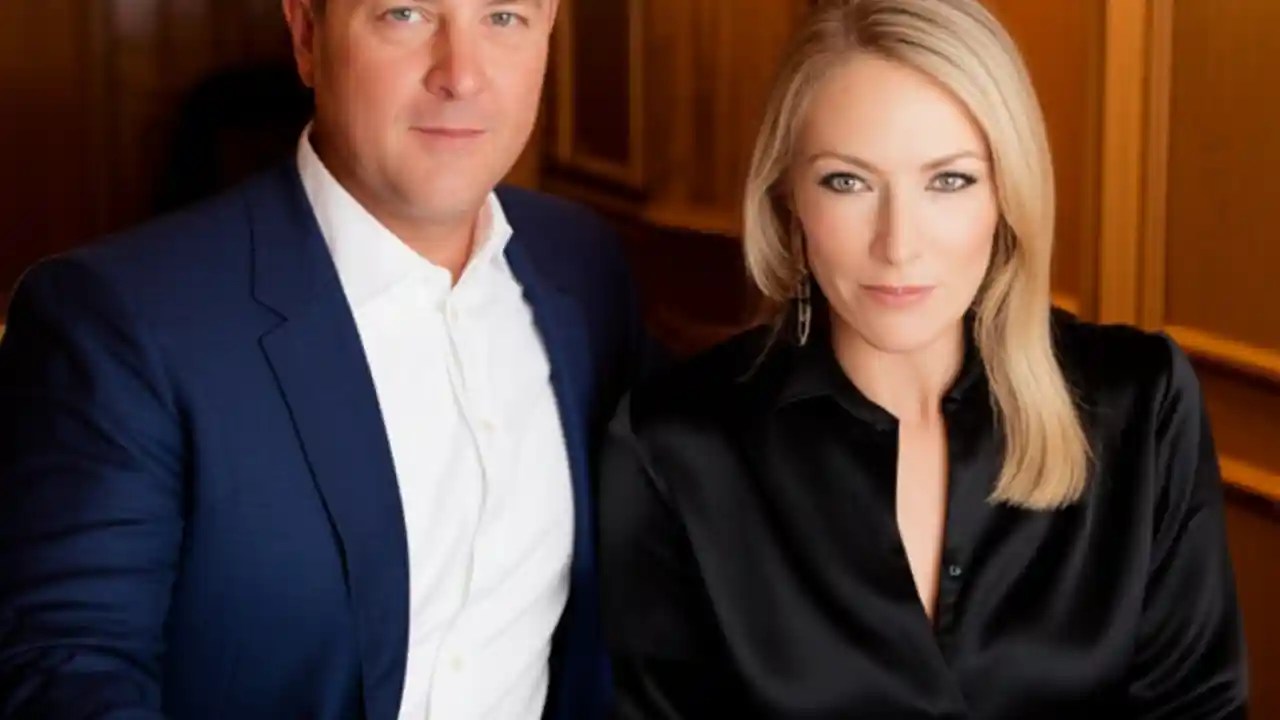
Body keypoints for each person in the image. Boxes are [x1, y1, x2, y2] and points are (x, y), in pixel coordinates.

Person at [599, 0, 1248, 717]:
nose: (898, 244)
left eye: (949, 180)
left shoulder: (1141, 404)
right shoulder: (675, 443)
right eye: (848, 181)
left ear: (1008, 191)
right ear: (789, 198)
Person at [0, 0, 641, 717]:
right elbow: (71, 674)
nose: (461, 75)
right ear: (307, 36)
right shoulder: (117, 320)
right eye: (405, 14)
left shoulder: (584, 269)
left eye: (502, 18)